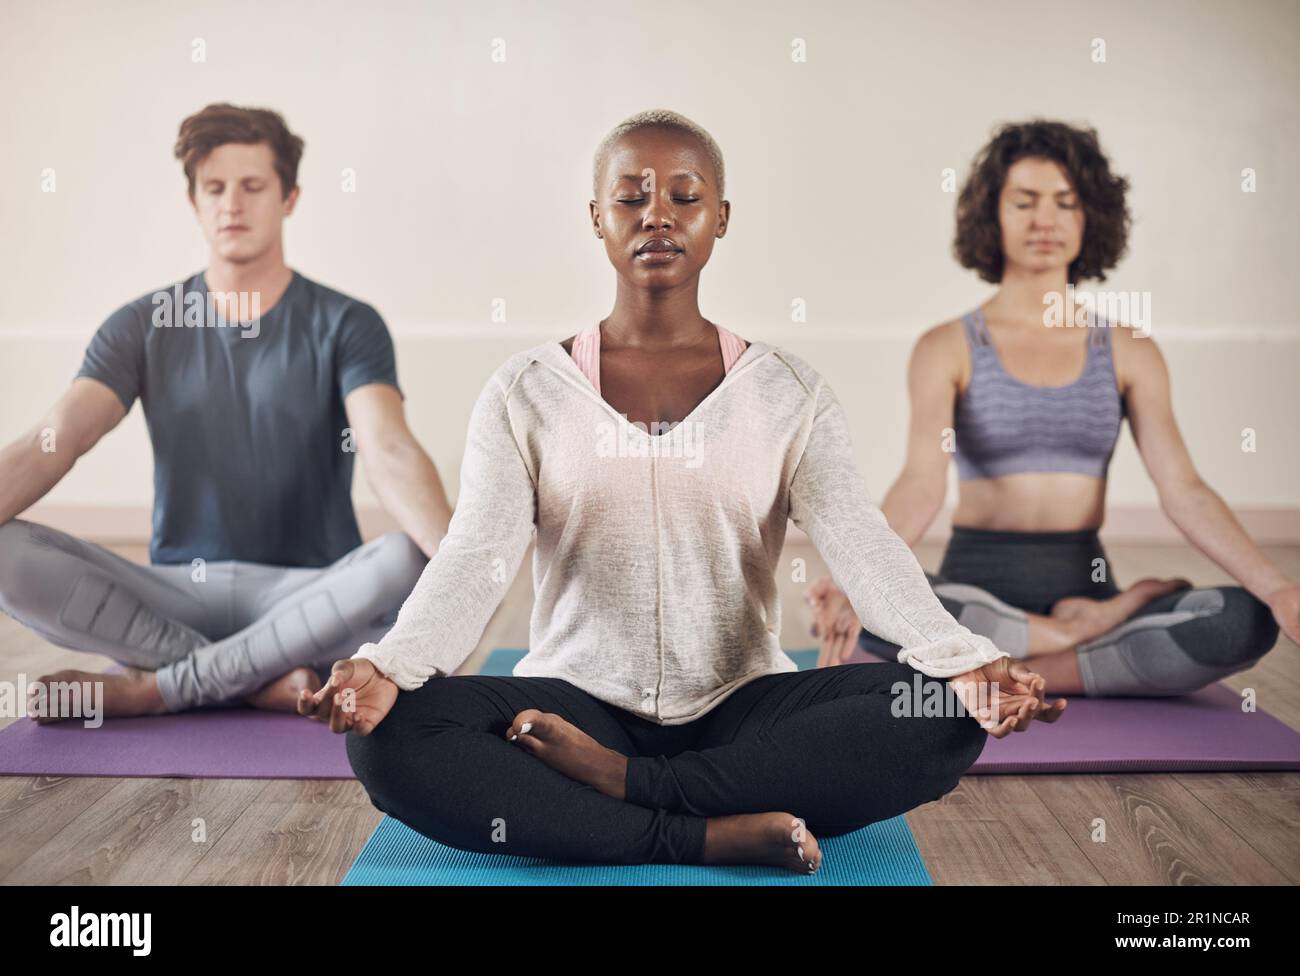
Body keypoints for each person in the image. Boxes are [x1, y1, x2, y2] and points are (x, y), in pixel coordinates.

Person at [300, 109, 1063, 872]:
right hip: (576, 703)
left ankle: (623, 790)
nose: (656, 214)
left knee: (941, 713)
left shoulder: (788, 391)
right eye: (630, 197)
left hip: (741, 708)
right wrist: (390, 666)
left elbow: (861, 543)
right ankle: (703, 832)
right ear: (596, 218)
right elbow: (475, 557)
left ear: (720, 218)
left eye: (684, 196)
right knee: (388, 737)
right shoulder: (524, 391)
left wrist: (962, 660)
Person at [809, 119, 1296, 698]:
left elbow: (1183, 490)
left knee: (1243, 620)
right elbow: (921, 484)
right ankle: (1087, 641)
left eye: (1066, 203)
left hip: (1085, 583)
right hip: (975, 589)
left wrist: (1278, 589)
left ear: (1090, 218)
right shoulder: (946, 346)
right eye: (1025, 202)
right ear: (993, 215)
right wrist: (859, 580)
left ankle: (1002, 667)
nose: (1046, 220)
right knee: (878, 610)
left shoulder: (1129, 350)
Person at [0, 103, 449, 720]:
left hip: (311, 597)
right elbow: (58, 437)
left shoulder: (348, 322)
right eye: (214, 188)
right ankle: (253, 680)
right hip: (176, 592)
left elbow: (388, 448)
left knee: (405, 558)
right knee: (5, 548)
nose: (232, 204)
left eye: (252, 186)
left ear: (289, 198)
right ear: (194, 201)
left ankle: (158, 688)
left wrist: (459, 564)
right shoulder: (141, 324)